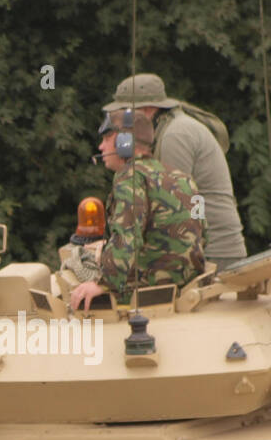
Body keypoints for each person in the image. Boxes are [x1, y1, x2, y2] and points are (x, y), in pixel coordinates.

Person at [101, 73, 247, 265]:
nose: (120, 120)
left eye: (125, 112)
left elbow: (173, 206)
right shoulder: (170, 128)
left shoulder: (174, 135)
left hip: (213, 253)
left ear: (146, 110)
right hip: (203, 248)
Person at [69, 111, 204, 311]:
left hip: (147, 291)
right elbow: (203, 233)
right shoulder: (184, 178)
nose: (101, 146)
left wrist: (102, 284)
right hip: (187, 285)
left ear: (125, 143)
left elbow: (128, 235)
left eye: (107, 138)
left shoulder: (130, 177)